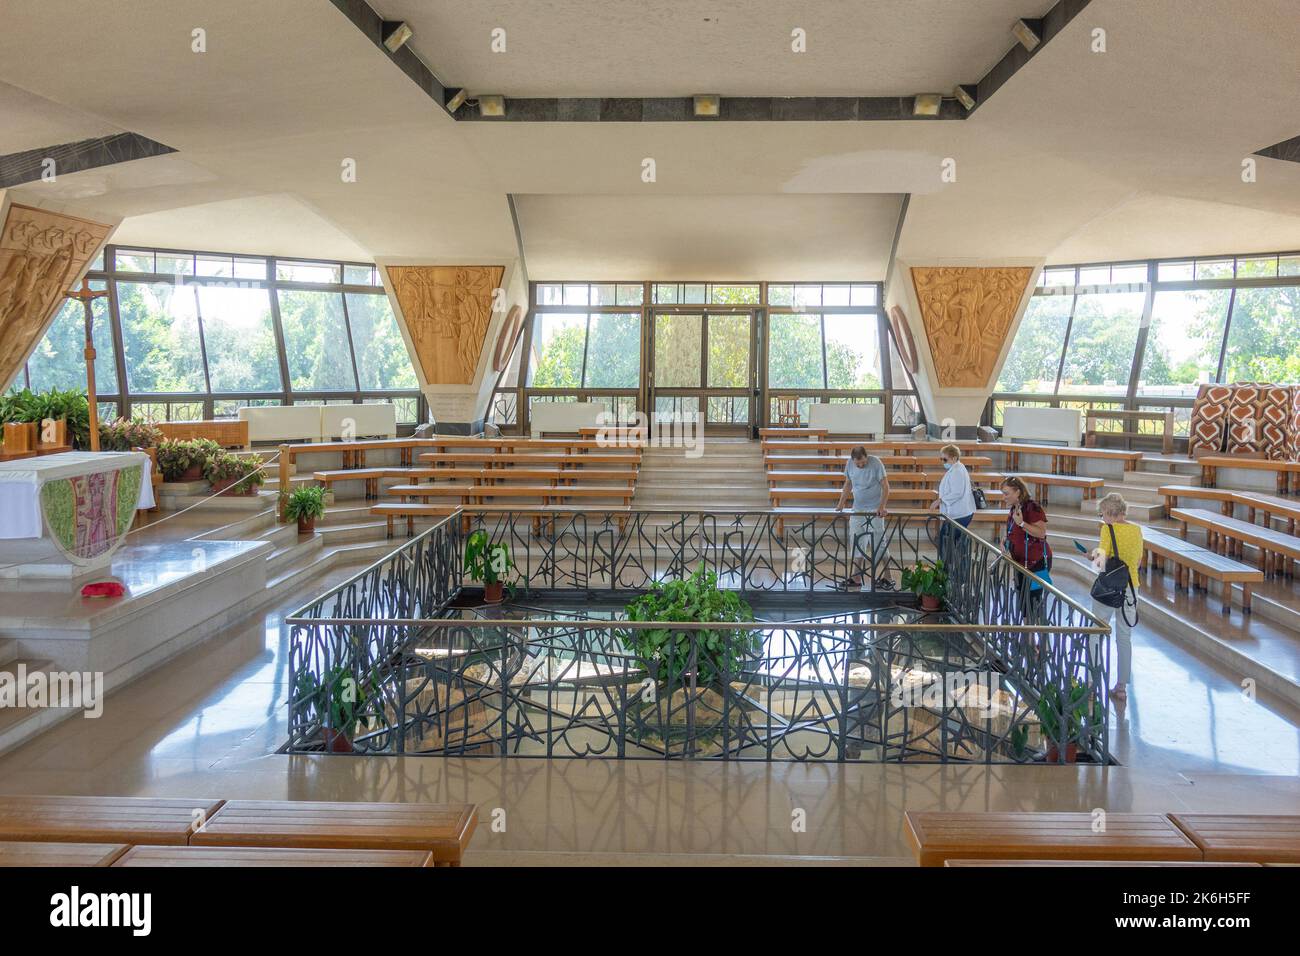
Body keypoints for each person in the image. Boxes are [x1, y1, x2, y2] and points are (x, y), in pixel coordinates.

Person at [1089, 492, 1142, 699]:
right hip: (1131, 586)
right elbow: (1137, 561)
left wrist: (1091, 556)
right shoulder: (1137, 530)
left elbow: (1100, 563)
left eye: (1102, 514)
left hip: (1109, 588)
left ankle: (1093, 681)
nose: (1102, 518)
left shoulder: (1107, 529)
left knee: (1096, 631)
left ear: (1111, 513)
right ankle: (1121, 687)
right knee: (1124, 637)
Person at [835, 445, 892, 590]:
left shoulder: (876, 463)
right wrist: (841, 504)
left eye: (863, 462)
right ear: (853, 460)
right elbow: (848, 484)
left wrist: (882, 506)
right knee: (856, 541)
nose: (860, 465)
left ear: (867, 457)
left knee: (879, 543)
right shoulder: (850, 464)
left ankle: (888, 577)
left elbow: (885, 486)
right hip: (858, 509)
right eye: (857, 463)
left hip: (875, 510)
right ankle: (856, 577)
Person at [1000, 476, 1052, 614]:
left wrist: (1022, 524)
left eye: (1006, 493)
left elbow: (1041, 533)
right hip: (1020, 563)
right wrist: (1006, 539)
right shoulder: (1015, 507)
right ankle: (1026, 635)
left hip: (1036, 563)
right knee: (1023, 603)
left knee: (1032, 602)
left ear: (1017, 492)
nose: (1004, 497)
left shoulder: (1032, 507)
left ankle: (1034, 634)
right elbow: (1014, 530)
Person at [930, 443, 977, 558]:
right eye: (941, 459)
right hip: (960, 513)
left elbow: (957, 492)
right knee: (954, 544)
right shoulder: (956, 468)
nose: (942, 462)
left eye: (945, 459)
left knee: (945, 544)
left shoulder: (957, 471)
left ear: (954, 458)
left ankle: (947, 571)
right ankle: (954, 570)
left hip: (959, 514)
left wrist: (939, 501)